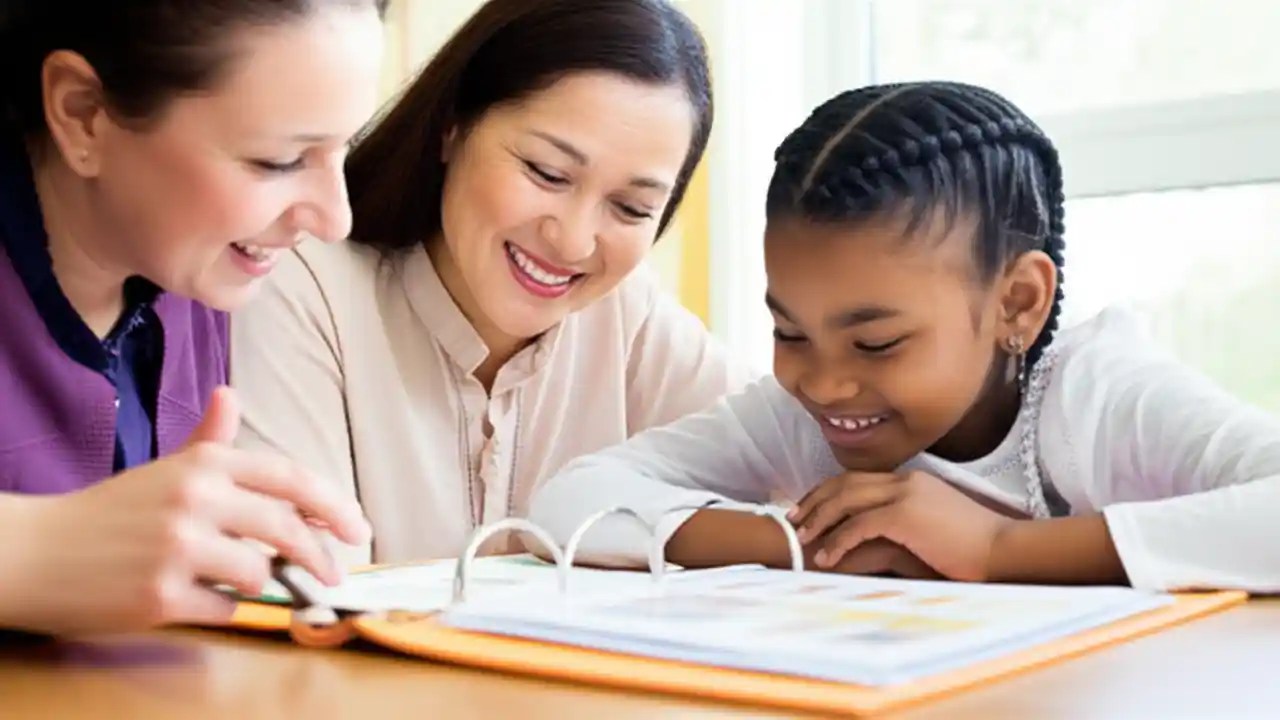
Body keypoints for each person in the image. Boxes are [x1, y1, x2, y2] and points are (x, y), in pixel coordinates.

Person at [528, 81, 1280, 593]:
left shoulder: (1096, 396)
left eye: (877, 344)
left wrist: (996, 549)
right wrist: (819, 546)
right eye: (788, 331)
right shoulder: (802, 416)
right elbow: (569, 502)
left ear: (1017, 302)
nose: (823, 382)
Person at [231, 0, 752, 566]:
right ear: (453, 125)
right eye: (547, 174)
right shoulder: (300, 283)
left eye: (630, 208)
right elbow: (298, 584)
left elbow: (800, 453)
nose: (574, 241)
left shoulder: (630, 317)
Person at [0, 0, 388, 635]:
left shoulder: (198, 274)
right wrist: (31, 550)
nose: (335, 218)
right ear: (84, 115)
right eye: (279, 161)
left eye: (344, 147)